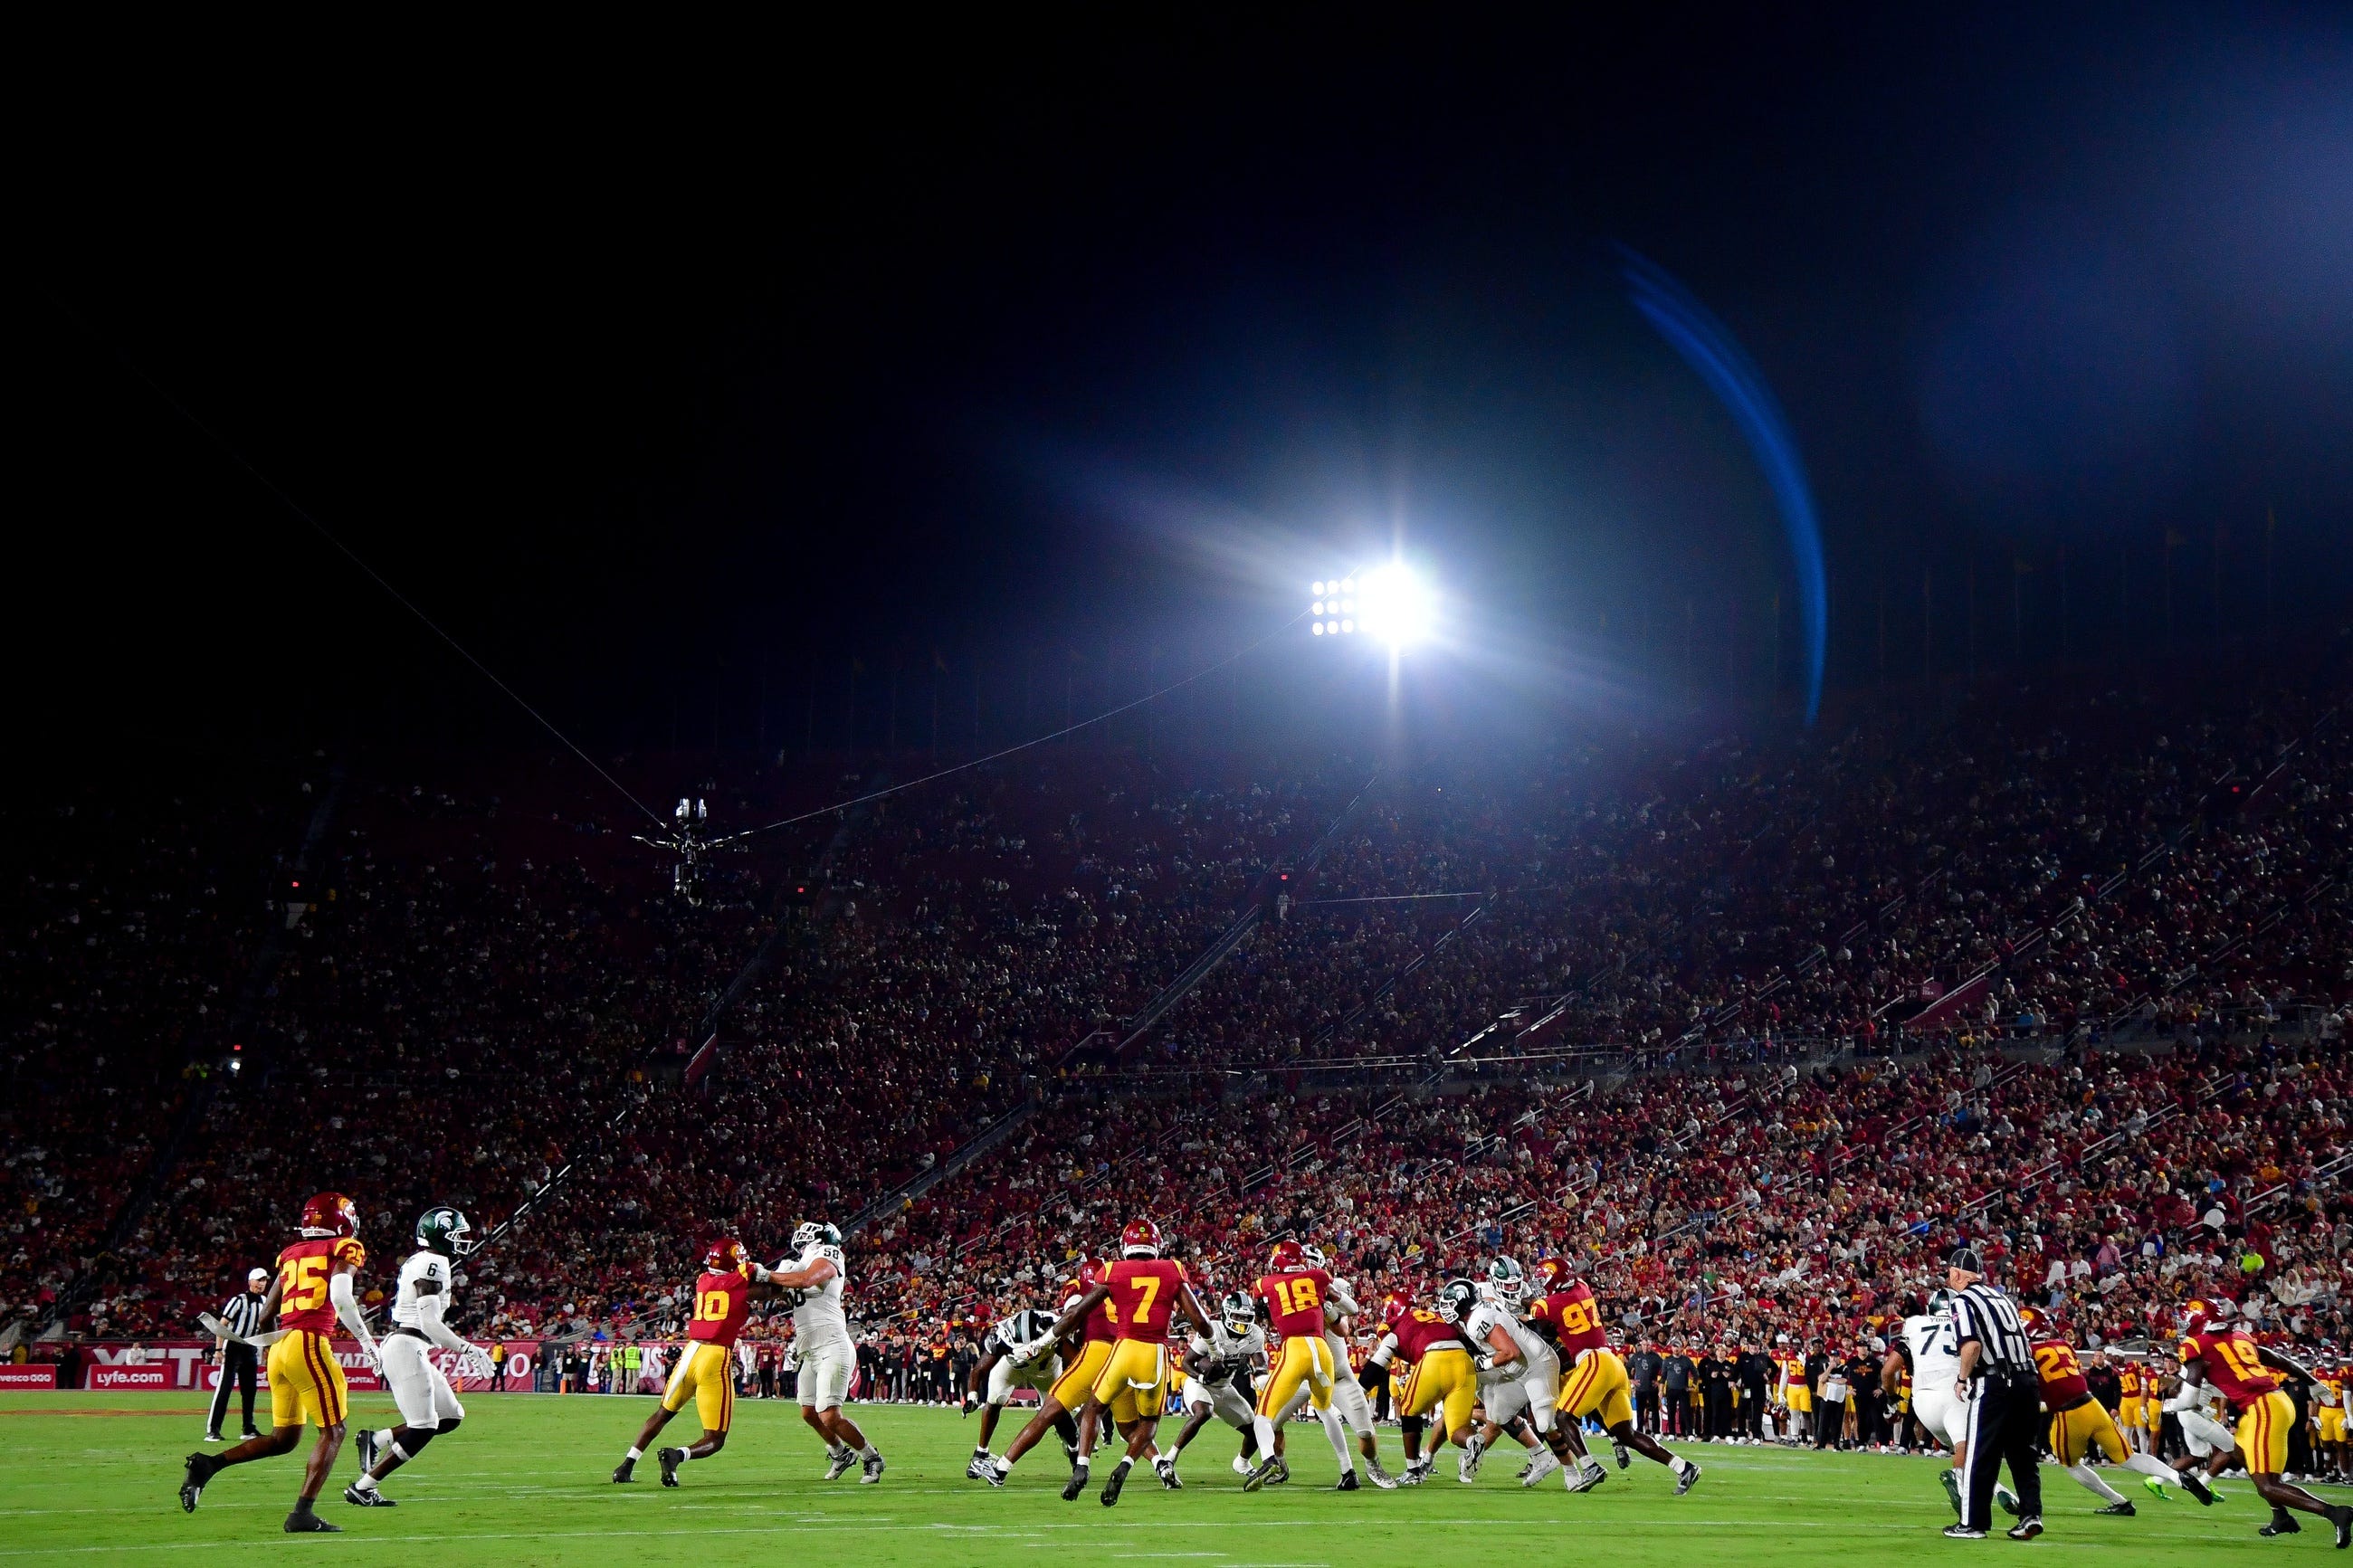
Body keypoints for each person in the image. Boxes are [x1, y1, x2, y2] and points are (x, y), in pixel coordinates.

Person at [178, 1192, 381, 1534]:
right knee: (334, 1430)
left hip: (281, 1345)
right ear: (343, 1220)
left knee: (283, 1439)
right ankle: (302, 1513)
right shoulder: (345, 1246)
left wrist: (274, 1351)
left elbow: (266, 1316)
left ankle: (207, 1465)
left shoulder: (289, 1255)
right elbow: (342, 1296)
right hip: (309, 1342)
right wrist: (366, 1341)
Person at [611, 1237, 789, 1486]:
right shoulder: (740, 1277)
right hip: (714, 1357)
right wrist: (793, 1279)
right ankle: (677, 1456)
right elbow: (768, 1288)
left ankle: (626, 1465)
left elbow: (738, 1285)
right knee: (715, 1438)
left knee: (662, 1413)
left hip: (691, 1351)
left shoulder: (703, 1280)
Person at [345, 1206, 491, 1506]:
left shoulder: (426, 1260)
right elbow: (430, 1324)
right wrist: (469, 1348)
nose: (461, 1241)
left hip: (411, 1346)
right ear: (440, 1235)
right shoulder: (434, 1262)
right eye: (456, 1235)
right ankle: (364, 1486)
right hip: (406, 1346)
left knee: (450, 1417)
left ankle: (375, 1440)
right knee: (424, 1426)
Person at [2173, 1297, 2351, 1543]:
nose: (2183, 1325)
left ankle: (2335, 1513)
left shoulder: (2195, 1344)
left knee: (2268, 1484)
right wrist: (2313, 1382)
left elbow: (2189, 1398)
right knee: (2243, 1456)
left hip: (2263, 1408)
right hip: (2272, 1403)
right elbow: (2279, 1360)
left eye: (2186, 1319)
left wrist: (2170, 1406)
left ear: (2198, 1321)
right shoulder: (2238, 1336)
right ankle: (2281, 1517)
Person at [1523, 1255, 1700, 1493]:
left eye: (1544, 1279)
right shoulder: (1582, 1287)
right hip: (1613, 1363)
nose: (1540, 1283)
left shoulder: (1546, 1305)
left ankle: (1589, 1467)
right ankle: (1683, 1467)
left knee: (1563, 1417)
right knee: (1627, 1433)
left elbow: (1536, 1321)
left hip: (1593, 1361)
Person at [2020, 1306, 2180, 1517]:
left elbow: (2037, 1387)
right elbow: (2068, 1380)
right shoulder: (2063, 1345)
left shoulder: (2028, 1352)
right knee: (2128, 1457)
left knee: (2070, 1464)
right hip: (2093, 1405)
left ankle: (2119, 1500)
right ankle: (2177, 1477)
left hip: (2069, 1414)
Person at [972, 1259, 1111, 1489]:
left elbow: (1070, 1320)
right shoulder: (1122, 1286)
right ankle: (1158, 1463)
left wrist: (1040, 1343)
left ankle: (1000, 1469)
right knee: (1119, 1417)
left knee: (1049, 1413)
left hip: (1094, 1352)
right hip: (1129, 1352)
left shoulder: (1078, 1289)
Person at [769, 1221, 883, 1482]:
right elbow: (768, 1290)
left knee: (830, 1415)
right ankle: (839, 1453)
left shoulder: (829, 1253)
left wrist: (765, 1274)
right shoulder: (794, 1266)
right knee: (808, 1412)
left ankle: (871, 1457)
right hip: (810, 1348)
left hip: (832, 1344)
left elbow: (807, 1279)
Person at [1944, 1246, 2045, 1541]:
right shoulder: (2003, 1298)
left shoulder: (1963, 1300)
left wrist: (1962, 1378)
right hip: (2027, 1381)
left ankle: (1972, 1523)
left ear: (1956, 1273)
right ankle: (2030, 1515)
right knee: (2022, 1455)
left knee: (1980, 1454)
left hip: (1996, 1383)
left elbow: (1972, 1346)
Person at [1365, 1290, 1480, 1485]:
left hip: (1435, 1358)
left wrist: (1360, 1389)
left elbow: (1377, 1365)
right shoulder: (1438, 1316)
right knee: (1456, 1430)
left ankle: (1413, 1470)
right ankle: (1472, 1441)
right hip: (1465, 1363)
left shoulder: (1399, 1325)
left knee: (1409, 1410)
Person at [1159, 1291, 1267, 1483]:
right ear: (1226, 1314)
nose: (1242, 1322)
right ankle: (1169, 1459)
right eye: (1237, 1317)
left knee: (1255, 1430)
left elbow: (1260, 1365)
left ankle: (1242, 1463)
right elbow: (1187, 1363)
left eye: (1245, 1317)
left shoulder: (1255, 1335)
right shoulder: (1213, 1330)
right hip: (1199, 1383)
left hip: (1224, 1388)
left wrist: (1261, 1378)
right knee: (1203, 1412)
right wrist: (1202, 1376)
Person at [963, 1306, 1079, 1478]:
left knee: (1056, 1411)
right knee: (995, 1398)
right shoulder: (1003, 1337)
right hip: (1013, 1365)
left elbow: (1077, 1362)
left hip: (1046, 1370)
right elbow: (979, 1370)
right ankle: (980, 1454)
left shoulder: (1054, 1332)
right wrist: (972, 1396)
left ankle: (1074, 1451)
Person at [205, 1268, 269, 1443]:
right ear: (250, 1282)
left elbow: (265, 1328)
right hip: (232, 1347)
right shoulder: (239, 1300)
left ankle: (248, 1428)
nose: (261, 1284)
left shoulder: (265, 1301)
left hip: (250, 1348)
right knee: (224, 1389)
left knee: (250, 1391)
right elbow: (221, 1325)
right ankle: (213, 1430)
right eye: (258, 1280)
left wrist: (265, 1349)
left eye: (263, 1280)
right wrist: (218, 1350)